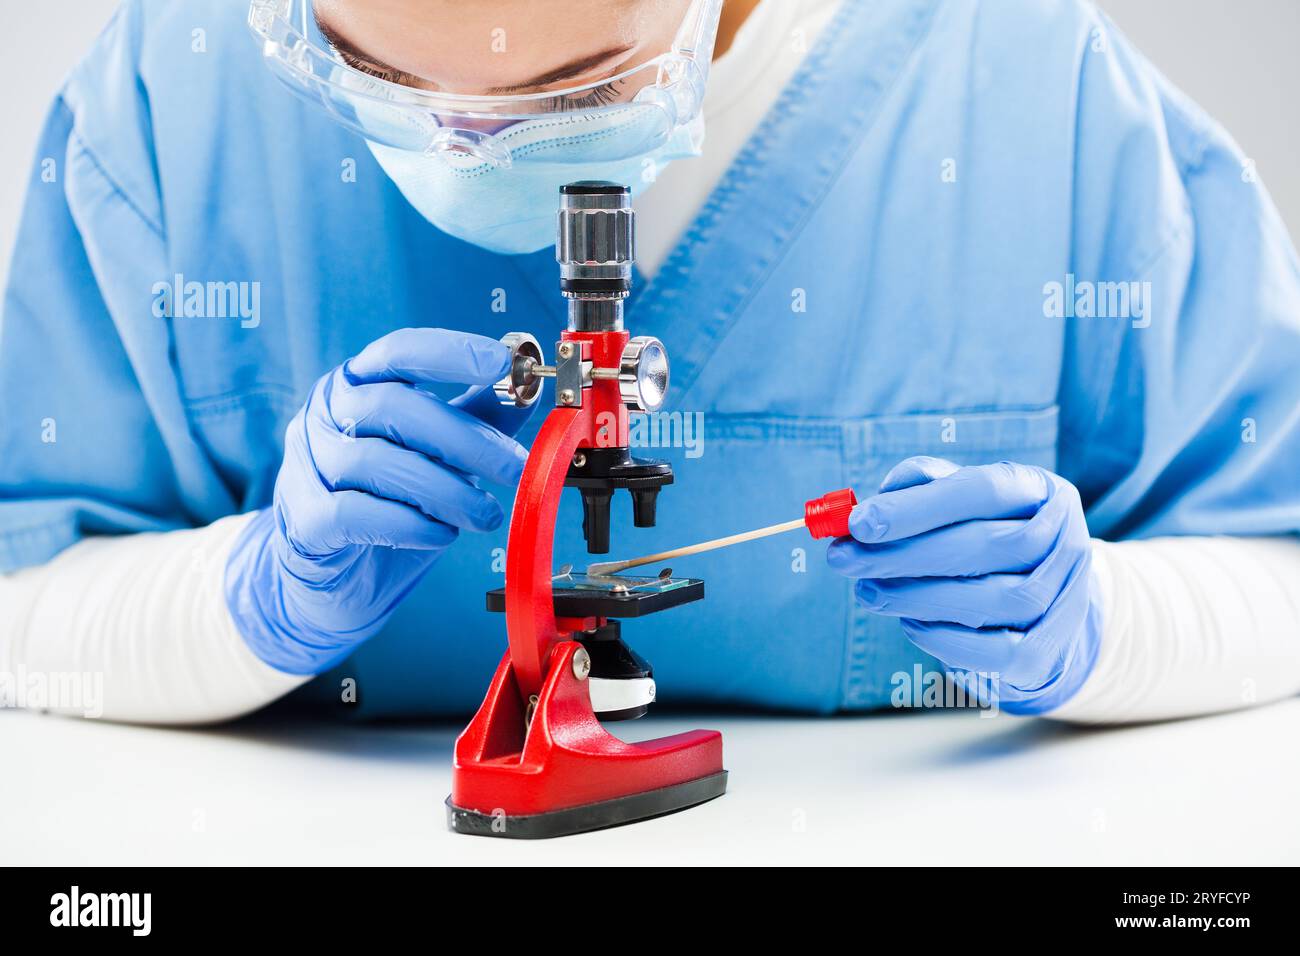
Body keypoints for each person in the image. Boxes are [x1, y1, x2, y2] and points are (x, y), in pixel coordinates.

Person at [1, 0, 1298, 725]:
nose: (465, 139)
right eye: (376, 82)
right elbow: (25, 594)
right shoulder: (171, 101)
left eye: (573, 90)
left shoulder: (1026, 95)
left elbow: (1276, 566)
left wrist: (1105, 630)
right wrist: (246, 605)